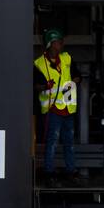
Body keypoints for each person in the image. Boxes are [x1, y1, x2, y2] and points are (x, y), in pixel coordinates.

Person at [33, 28, 80, 187]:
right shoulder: (39, 64)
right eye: (58, 42)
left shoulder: (67, 59)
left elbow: (77, 76)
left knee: (69, 142)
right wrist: (45, 86)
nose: (61, 44)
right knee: (52, 142)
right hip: (53, 110)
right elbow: (35, 86)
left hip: (68, 109)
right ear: (50, 44)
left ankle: (71, 171)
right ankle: (49, 172)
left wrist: (74, 81)